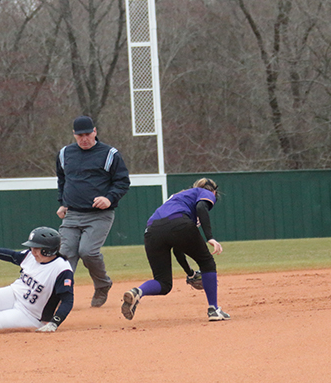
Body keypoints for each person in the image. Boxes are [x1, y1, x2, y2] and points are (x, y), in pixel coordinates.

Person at [120, 178, 231, 321]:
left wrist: (190, 273)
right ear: (214, 192)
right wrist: (210, 237)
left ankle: (137, 292)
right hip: (178, 223)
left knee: (163, 282)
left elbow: (178, 247)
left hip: (152, 230)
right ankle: (214, 309)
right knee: (207, 263)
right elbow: (201, 208)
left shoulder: (177, 197)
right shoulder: (204, 192)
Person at [56, 115, 130, 307]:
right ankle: (62, 296)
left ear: (95, 131)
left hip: (99, 214)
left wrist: (109, 198)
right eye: (80, 135)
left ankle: (102, 284)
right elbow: (63, 180)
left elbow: (122, 182)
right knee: (65, 255)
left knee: (87, 251)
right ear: (74, 135)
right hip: (72, 213)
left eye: (88, 134)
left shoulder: (110, 154)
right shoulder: (65, 154)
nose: (84, 138)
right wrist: (63, 203)